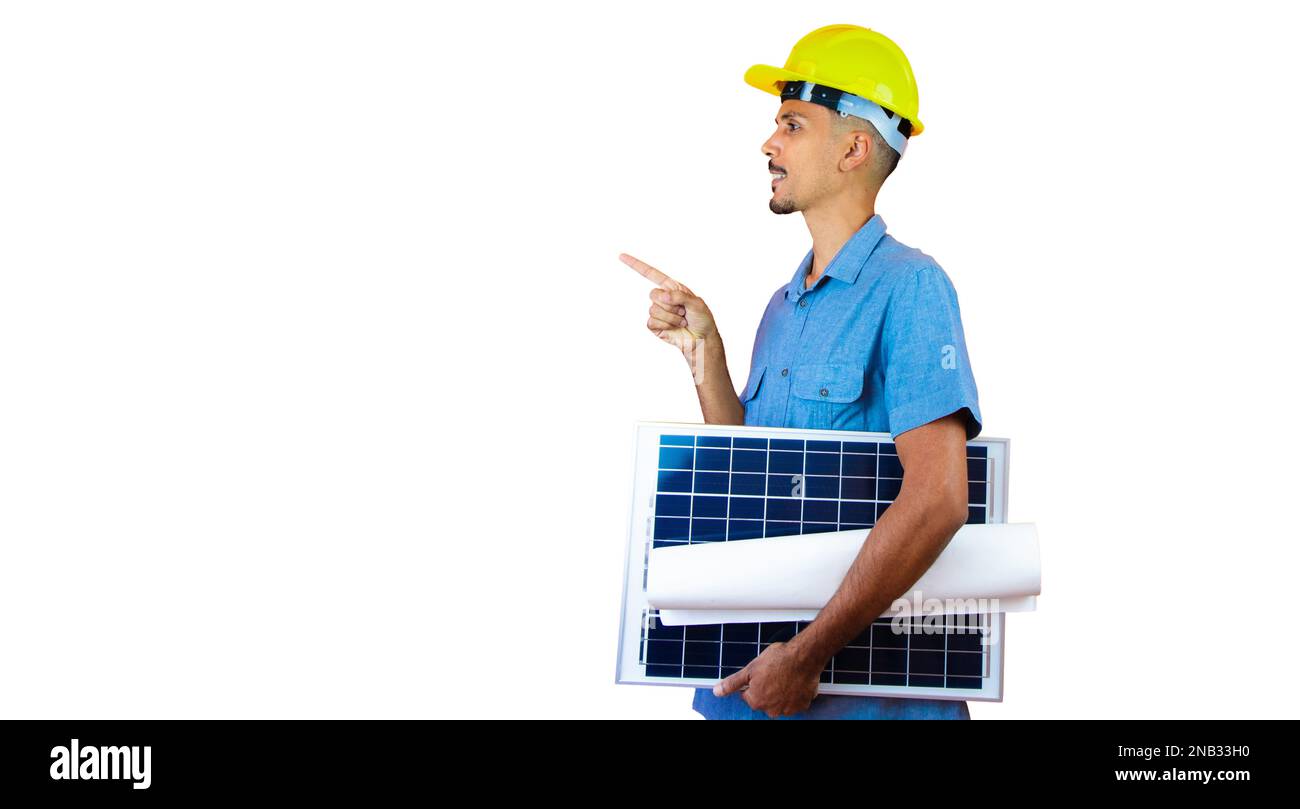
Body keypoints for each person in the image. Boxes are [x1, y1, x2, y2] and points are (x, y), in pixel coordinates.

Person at [619, 24, 983, 720]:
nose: (768, 143)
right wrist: (706, 353)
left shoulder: (911, 289)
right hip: (748, 685)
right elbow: (751, 477)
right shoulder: (782, 307)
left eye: (792, 123)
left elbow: (939, 499)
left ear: (854, 147)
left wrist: (809, 655)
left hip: (861, 701)